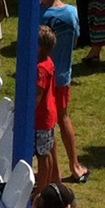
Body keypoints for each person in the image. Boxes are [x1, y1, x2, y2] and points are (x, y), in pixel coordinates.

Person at [38, 0, 86, 181]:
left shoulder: (39, 15)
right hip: (63, 75)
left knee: (48, 124)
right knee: (63, 118)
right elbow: (75, 40)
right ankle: (75, 166)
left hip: (45, 78)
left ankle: (54, 173)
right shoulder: (71, 12)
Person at [31, 25, 61, 184]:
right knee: (45, 153)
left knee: (43, 155)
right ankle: (44, 184)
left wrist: (26, 112)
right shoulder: (47, 62)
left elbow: (37, 95)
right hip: (46, 116)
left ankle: (42, 188)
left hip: (41, 118)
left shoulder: (41, 68)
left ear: (40, 47)